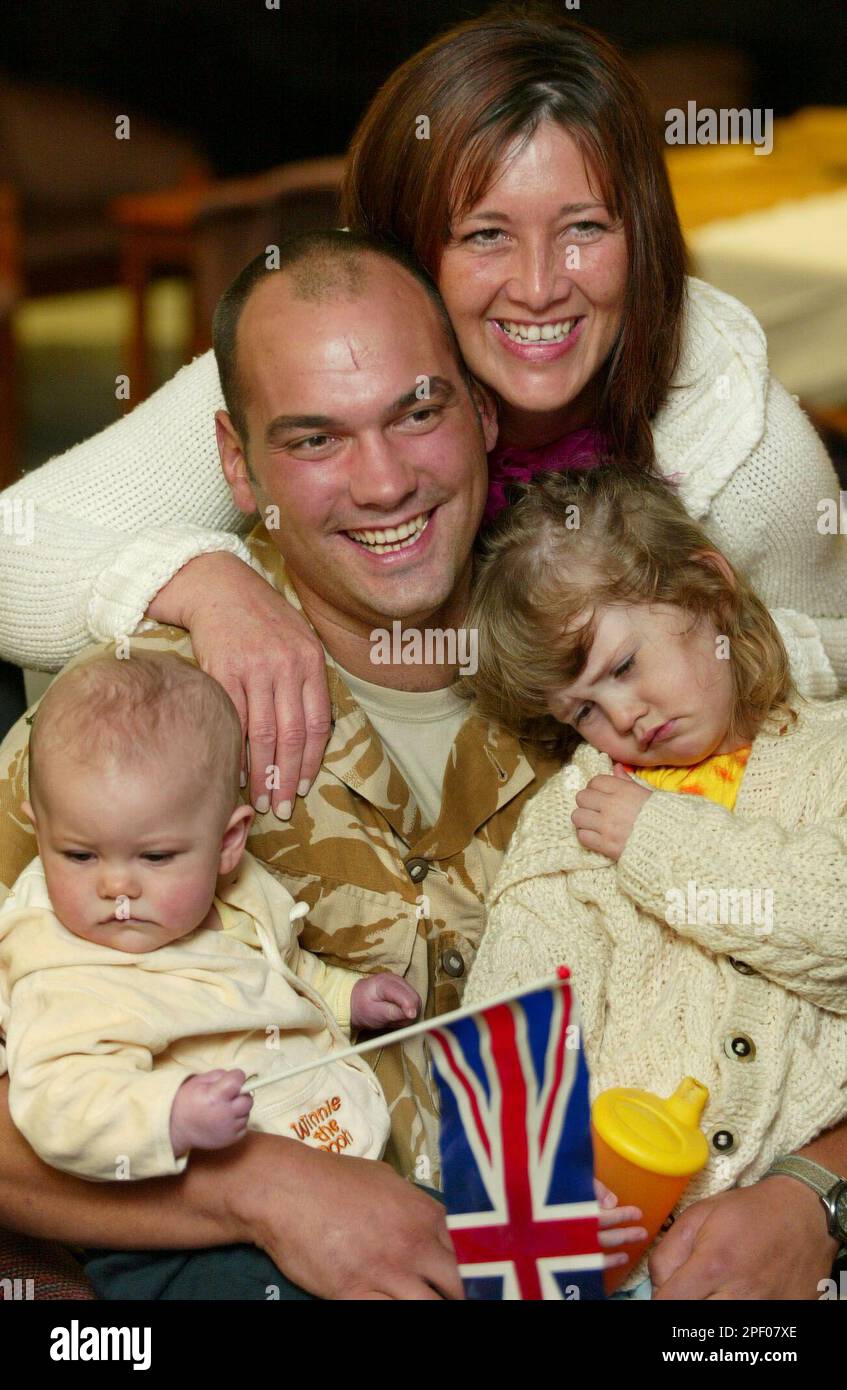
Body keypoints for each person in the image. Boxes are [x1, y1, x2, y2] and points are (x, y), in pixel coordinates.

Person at [0, 10, 844, 827]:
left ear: (643, 239)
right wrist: (206, 584)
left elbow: (831, 693)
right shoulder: (317, 360)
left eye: (583, 227)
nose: (540, 285)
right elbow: (14, 544)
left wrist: (726, 653)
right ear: (406, 247)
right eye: (485, 235)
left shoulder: (743, 441)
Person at [463, 464, 847, 1296]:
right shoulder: (572, 808)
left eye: (625, 662)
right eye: (583, 711)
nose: (623, 716)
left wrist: (660, 838)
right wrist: (533, 1185)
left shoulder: (835, 756)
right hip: (619, 1255)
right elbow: (515, 1011)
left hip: (809, 1251)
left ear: (708, 590)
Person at [2, 649, 415, 1185]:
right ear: (42, 833)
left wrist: (348, 998)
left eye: (155, 858)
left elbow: (280, 975)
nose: (115, 887)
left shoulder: (242, 898)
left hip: (334, 1146)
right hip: (186, 1227)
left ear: (227, 843)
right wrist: (168, 1116)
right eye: (79, 856)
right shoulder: (55, 966)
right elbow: (56, 1100)